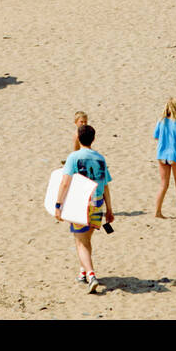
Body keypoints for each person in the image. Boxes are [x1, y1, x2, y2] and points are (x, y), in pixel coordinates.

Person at [54, 124, 113, 293]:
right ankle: (82, 273)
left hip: (79, 204)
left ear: (78, 138)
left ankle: (91, 275)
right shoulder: (101, 158)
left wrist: (58, 205)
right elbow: (106, 185)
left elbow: (65, 182)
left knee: (81, 242)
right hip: (97, 203)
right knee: (85, 240)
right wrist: (110, 209)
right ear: (93, 139)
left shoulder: (74, 157)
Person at [153, 98, 176, 218]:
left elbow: (156, 137)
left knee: (163, 185)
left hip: (161, 155)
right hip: (174, 155)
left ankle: (157, 211)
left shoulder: (161, 122)